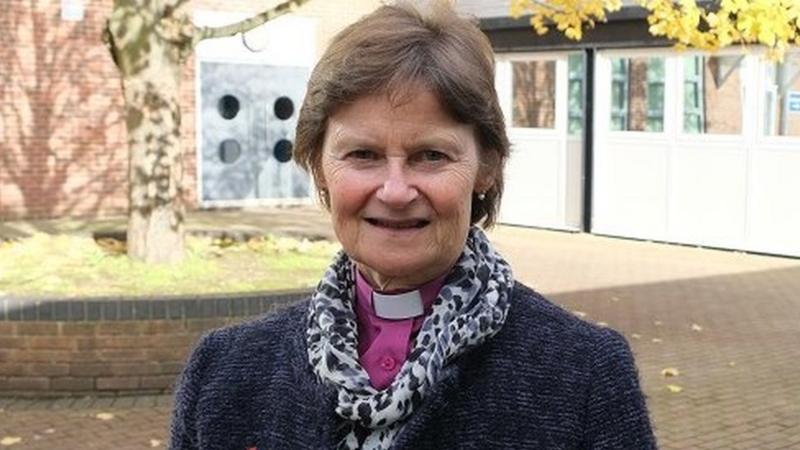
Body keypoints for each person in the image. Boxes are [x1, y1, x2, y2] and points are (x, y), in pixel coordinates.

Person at [169, 2, 657, 449]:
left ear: (486, 167)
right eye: (363, 154)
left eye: (431, 155)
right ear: (318, 166)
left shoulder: (584, 375)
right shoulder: (224, 373)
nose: (395, 191)